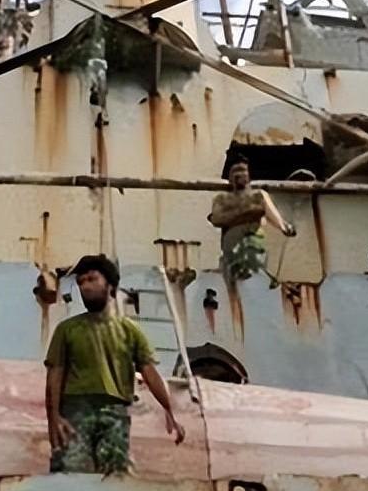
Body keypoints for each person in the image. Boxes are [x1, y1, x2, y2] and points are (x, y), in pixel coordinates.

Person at [44, 254, 185, 474]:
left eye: (92, 279)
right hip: (75, 410)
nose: (85, 287)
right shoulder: (67, 329)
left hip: (115, 413)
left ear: (110, 285)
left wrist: (170, 411)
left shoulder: (130, 331)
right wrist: (53, 418)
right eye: (81, 282)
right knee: (69, 476)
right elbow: (55, 374)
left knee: (115, 480)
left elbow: (150, 372)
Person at [207, 158, 296, 281]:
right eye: (235, 171)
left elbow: (272, 214)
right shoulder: (222, 199)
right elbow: (217, 219)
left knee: (255, 274)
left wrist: (283, 226)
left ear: (249, 175)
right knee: (234, 275)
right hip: (233, 244)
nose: (238, 174)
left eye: (242, 170)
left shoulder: (258, 195)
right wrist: (247, 212)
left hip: (253, 242)